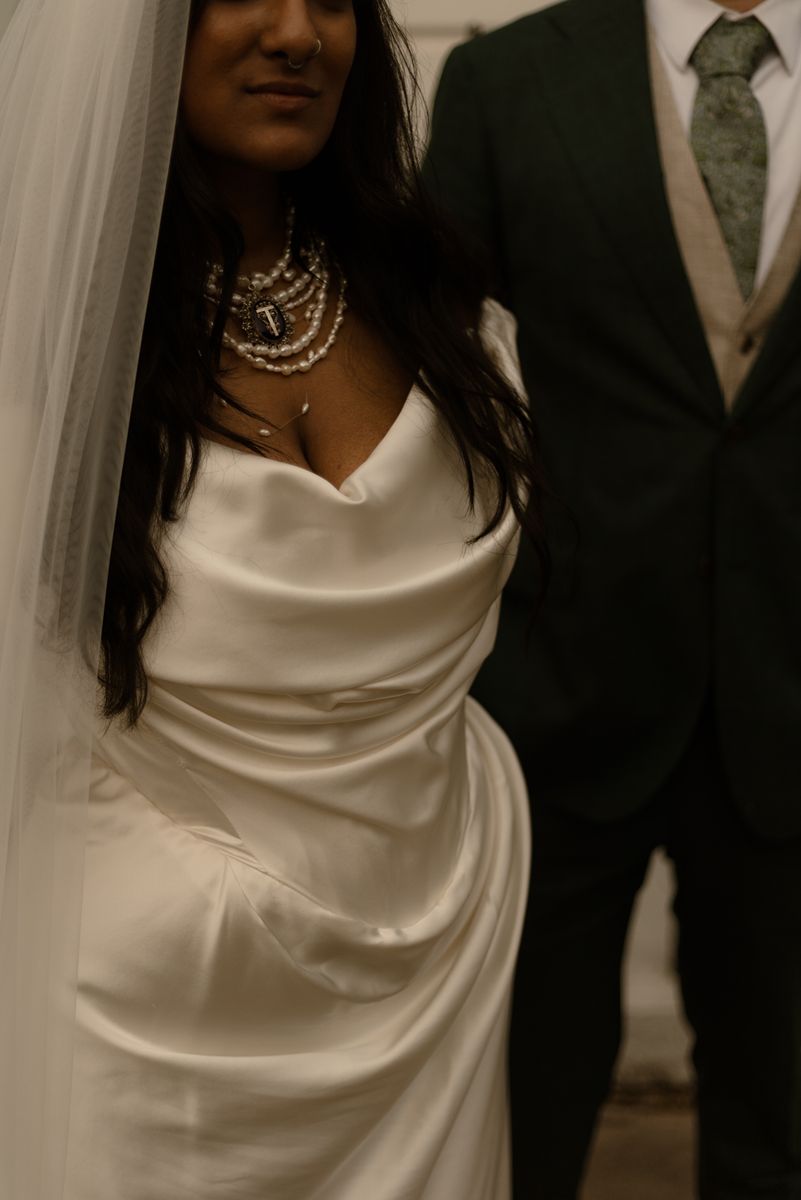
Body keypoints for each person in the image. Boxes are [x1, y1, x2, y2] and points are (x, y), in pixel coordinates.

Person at [0, 0, 548, 1197]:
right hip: (142, 1007)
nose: (299, 33)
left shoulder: (435, 301)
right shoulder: (39, 339)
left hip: (433, 958)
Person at [425, 0, 801, 1196]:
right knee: (517, 1104)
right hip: (556, 683)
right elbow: (426, 376)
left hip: (794, 689)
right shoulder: (505, 79)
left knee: (781, 1110)